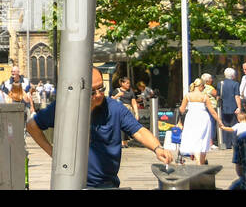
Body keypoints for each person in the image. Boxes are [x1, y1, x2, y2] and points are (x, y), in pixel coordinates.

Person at [27, 69, 173, 189]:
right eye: (92, 91)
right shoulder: (64, 107)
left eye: (101, 89)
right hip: (69, 183)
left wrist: (157, 148)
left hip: (106, 184)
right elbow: (32, 126)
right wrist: (53, 153)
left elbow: (139, 131)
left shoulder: (115, 108)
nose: (98, 95)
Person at [178, 78, 220, 164]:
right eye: (204, 87)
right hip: (203, 118)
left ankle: (198, 160)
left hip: (191, 118)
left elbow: (181, 109)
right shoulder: (204, 96)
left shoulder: (188, 96)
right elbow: (212, 111)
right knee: (203, 139)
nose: (204, 89)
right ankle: (201, 161)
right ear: (201, 86)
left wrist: (179, 121)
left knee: (194, 138)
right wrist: (220, 121)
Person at [218, 68, 242, 145]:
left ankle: (226, 143)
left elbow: (218, 96)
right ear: (233, 75)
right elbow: (237, 96)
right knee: (234, 125)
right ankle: (234, 142)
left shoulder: (220, 84)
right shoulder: (235, 84)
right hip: (233, 107)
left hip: (223, 107)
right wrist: (239, 107)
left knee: (225, 124)